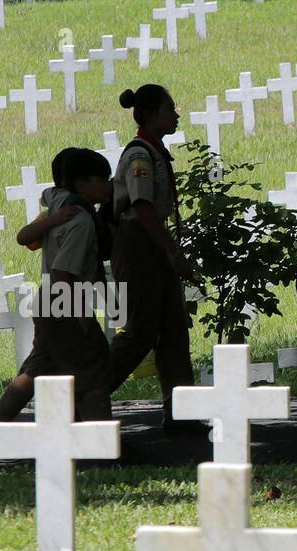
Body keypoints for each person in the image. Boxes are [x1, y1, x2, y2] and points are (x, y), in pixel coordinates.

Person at [0, 148, 114, 449]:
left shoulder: (57, 206)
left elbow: (27, 238)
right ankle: (100, 444)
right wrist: (83, 318)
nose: (109, 185)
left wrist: (51, 221)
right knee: (96, 365)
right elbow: (64, 274)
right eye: (103, 179)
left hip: (46, 302)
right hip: (64, 302)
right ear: (82, 184)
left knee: (38, 368)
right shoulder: (81, 221)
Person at [106, 84, 199, 434]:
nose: (176, 115)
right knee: (141, 330)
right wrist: (172, 251)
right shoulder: (140, 155)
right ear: (148, 114)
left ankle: (181, 412)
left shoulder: (155, 151)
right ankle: (88, 396)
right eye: (169, 109)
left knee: (174, 328)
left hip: (153, 241)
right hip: (138, 243)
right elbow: (142, 208)